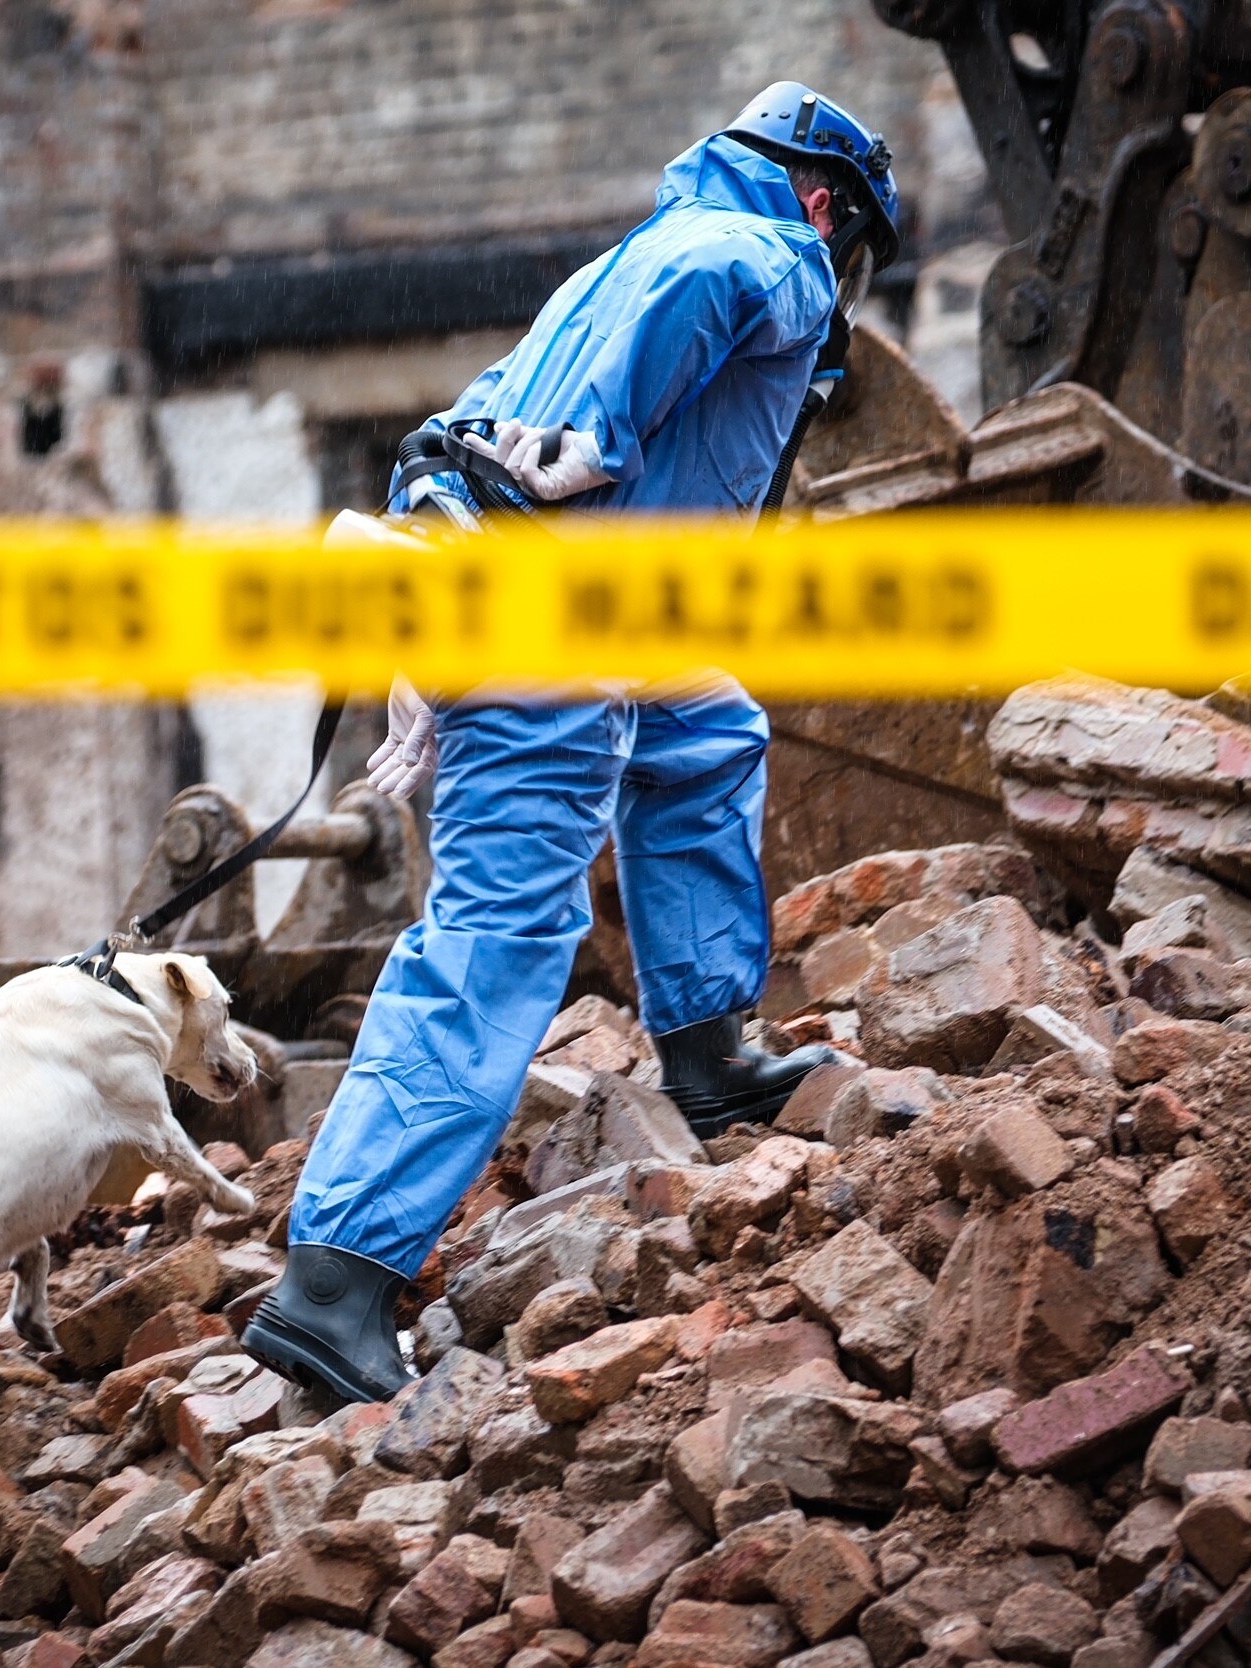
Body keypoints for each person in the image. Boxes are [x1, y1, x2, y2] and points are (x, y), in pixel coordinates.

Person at [244, 82, 904, 1406]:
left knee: (707, 728)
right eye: (851, 253)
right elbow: (707, 295)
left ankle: (708, 1057)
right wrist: (586, 440)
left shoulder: (619, 263)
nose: (841, 284)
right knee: (502, 932)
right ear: (825, 200)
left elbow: (465, 420)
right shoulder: (760, 247)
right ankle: (335, 1283)